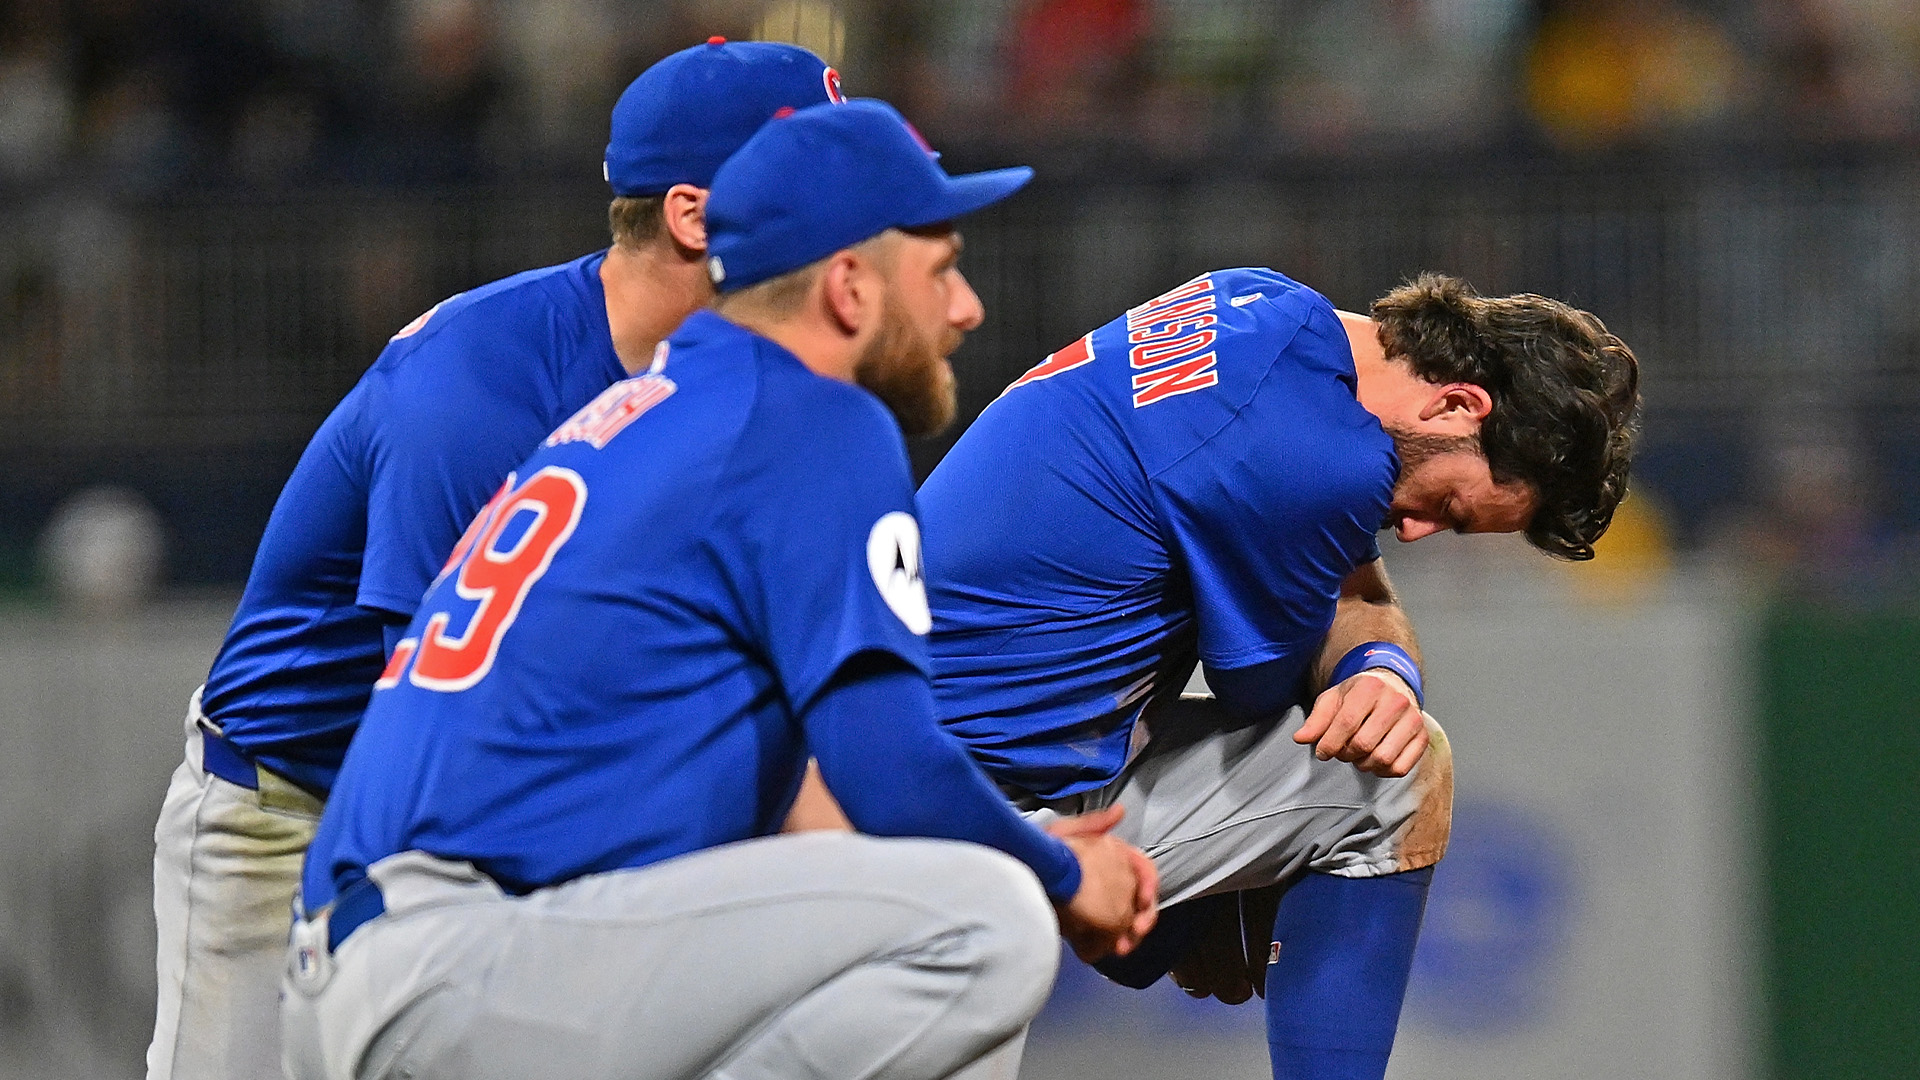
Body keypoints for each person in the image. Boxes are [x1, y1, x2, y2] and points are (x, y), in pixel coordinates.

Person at [281, 98, 1157, 1080]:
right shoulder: (811, 418)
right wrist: (1060, 870)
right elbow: (890, 765)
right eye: (942, 269)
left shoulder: (659, 409)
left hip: (385, 964)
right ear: (851, 287)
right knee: (988, 923)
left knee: (898, 892)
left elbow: (817, 805)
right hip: (459, 961)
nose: (967, 309)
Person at [146, 39, 851, 1080]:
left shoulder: (754, 391)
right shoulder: (474, 393)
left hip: (513, 816)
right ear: (695, 218)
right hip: (292, 814)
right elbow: (440, 748)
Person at [917, 266, 1641, 1079]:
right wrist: (1219, 901)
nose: (1415, 531)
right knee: (1387, 776)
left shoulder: (1264, 305)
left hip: (933, 746)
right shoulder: (1316, 462)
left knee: (1388, 744)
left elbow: (1346, 598)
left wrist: (1382, 670)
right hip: (952, 806)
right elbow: (1271, 690)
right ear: (1458, 405)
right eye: (1450, 507)